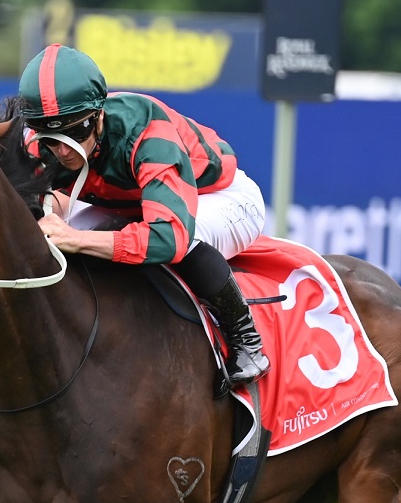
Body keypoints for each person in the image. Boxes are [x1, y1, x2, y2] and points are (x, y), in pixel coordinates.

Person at [19, 43, 270, 385]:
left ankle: (246, 340)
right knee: (54, 242)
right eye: (52, 137)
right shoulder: (40, 144)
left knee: (185, 239)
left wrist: (77, 239)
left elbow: (170, 238)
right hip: (131, 202)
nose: (63, 150)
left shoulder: (148, 134)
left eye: (76, 131)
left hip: (217, 195)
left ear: (99, 115)